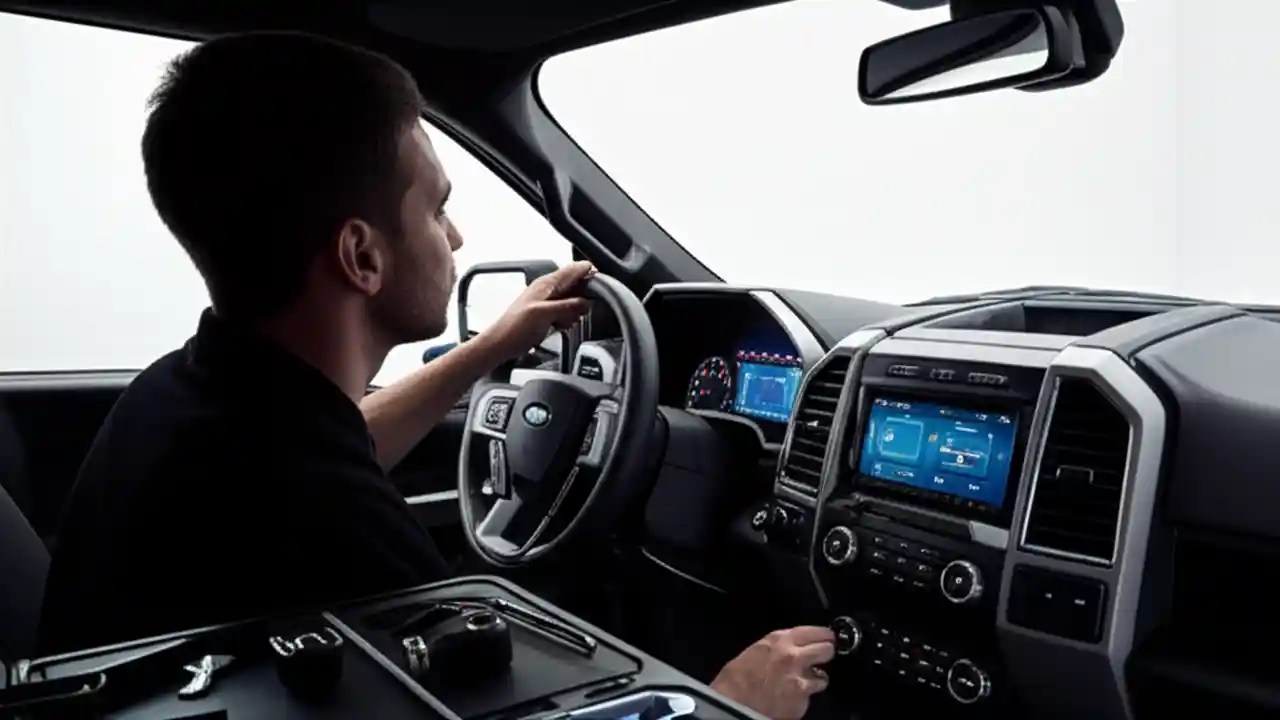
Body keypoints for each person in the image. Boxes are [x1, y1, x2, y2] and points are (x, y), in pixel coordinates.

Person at [37, 32, 833, 719]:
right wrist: (728, 703)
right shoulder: (336, 532)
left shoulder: (200, 398)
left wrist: (491, 346)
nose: (454, 236)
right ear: (362, 256)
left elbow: (341, 442)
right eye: (436, 208)